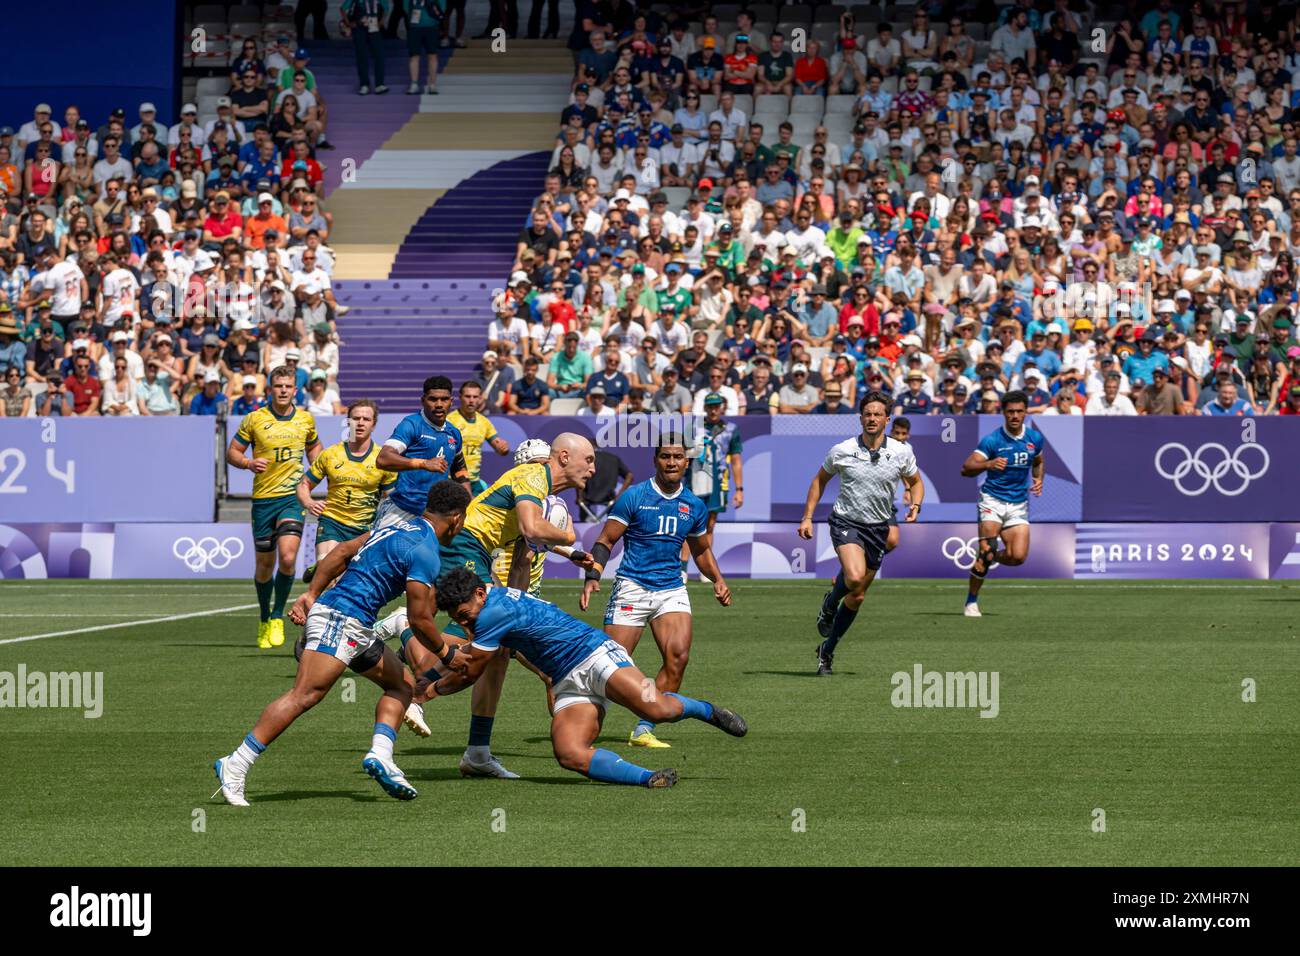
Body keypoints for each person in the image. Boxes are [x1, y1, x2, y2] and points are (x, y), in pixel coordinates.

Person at [211, 481, 473, 807]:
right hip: (341, 618)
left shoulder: (395, 526)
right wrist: (447, 655)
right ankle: (236, 762)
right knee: (306, 694)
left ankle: (381, 756)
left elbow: (342, 551)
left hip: (356, 622)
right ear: (457, 518)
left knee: (402, 684)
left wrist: (310, 593)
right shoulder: (426, 551)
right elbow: (419, 619)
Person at [422, 566, 748, 788]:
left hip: (594, 654)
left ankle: (708, 710)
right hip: (566, 679)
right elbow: (469, 651)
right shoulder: (490, 605)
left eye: (465, 616)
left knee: (655, 709)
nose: (465, 623)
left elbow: (470, 671)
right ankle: (648, 777)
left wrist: (425, 693)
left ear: (479, 594)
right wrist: (430, 674)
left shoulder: (493, 612)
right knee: (569, 754)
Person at [432, 432, 594, 778]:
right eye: (589, 460)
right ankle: (412, 667)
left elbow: (523, 557)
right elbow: (532, 528)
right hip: (467, 546)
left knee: (498, 654)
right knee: (469, 641)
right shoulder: (533, 479)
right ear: (562, 457)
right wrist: (569, 537)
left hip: (477, 552)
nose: (593, 469)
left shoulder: (539, 494)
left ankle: (477, 752)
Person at [580, 435, 731, 749]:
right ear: (656, 460)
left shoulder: (694, 505)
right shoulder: (634, 497)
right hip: (632, 588)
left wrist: (717, 578)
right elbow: (606, 540)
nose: (672, 462)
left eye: (677, 457)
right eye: (665, 456)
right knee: (608, 666)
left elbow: (701, 551)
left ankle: (644, 728)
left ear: (686, 462)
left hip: (671, 589)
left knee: (678, 658)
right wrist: (593, 575)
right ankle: (584, 724)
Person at [799, 392, 925, 675]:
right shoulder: (842, 450)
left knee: (857, 596)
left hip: (878, 528)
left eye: (877, 414)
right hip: (846, 522)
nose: (872, 418)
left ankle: (827, 651)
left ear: (887, 420)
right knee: (854, 578)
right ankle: (830, 604)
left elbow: (916, 482)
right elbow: (819, 481)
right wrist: (807, 517)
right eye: (867, 414)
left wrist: (916, 505)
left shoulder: (901, 451)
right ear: (861, 418)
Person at [226, 366, 323, 648]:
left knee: (289, 557)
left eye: (287, 386)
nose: (282, 390)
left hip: (292, 498)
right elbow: (233, 452)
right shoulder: (255, 419)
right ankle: (264, 616)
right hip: (263, 499)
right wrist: (248, 463)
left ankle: (279, 615)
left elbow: (315, 451)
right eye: (277, 385)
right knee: (264, 566)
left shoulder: (305, 420)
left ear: (295, 390)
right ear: (270, 389)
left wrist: (317, 473)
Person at [960, 392, 1045, 618]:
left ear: (1026, 412)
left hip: (1018, 504)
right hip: (992, 501)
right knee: (986, 550)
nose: (1015, 416)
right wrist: (989, 464)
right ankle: (971, 601)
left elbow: (1038, 461)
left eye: (1019, 411)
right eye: (1010, 412)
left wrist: (1038, 479)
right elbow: (966, 468)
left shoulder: (1035, 438)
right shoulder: (993, 440)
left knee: (1017, 557)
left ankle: (988, 556)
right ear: (1003, 413)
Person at [298, 398, 396, 582]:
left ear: (373, 425)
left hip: (363, 529)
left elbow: (391, 498)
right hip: (332, 523)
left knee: (346, 584)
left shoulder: (382, 459)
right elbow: (304, 485)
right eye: (356, 418)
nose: (360, 423)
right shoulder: (331, 454)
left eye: (366, 419)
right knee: (329, 580)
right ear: (347, 421)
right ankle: (321, 566)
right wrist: (309, 503)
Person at [374, 375, 469, 527]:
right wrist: (423, 463)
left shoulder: (454, 433)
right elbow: (383, 459)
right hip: (401, 510)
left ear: (451, 401)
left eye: (444, 399)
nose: (439, 404)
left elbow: (459, 470)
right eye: (433, 399)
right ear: (423, 400)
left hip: (434, 514)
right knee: (378, 550)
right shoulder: (411, 424)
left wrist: (467, 503)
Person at [685, 393, 743, 579]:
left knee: (710, 525)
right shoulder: (693, 427)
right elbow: (682, 454)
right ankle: (682, 569)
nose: (713, 409)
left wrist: (739, 489)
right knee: (686, 524)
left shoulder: (730, 429)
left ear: (722, 407)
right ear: (705, 408)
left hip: (718, 481)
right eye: (710, 406)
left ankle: (706, 568)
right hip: (694, 478)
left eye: (716, 405)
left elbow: (736, 460)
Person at [448, 379, 510, 495]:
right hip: (453, 480)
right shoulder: (449, 421)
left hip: (475, 481)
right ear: (460, 397)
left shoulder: (484, 422)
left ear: (480, 398)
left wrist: (503, 448)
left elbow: (499, 447)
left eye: (475, 397)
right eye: (468, 396)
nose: (471, 400)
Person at [340, 0, 391, 95]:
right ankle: (364, 85)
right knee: (362, 56)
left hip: (374, 27)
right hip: (359, 29)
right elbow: (343, 8)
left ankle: (379, 85)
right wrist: (348, 23)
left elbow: (386, 9)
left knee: (379, 56)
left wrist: (381, 22)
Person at [575, 447, 632, 521]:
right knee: (611, 526)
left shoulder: (587, 460)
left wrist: (579, 497)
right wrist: (619, 496)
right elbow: (629, 476)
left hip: (587, 501)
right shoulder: (613, 458)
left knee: (586, 528)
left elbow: (580, 476)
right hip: (609, 500)